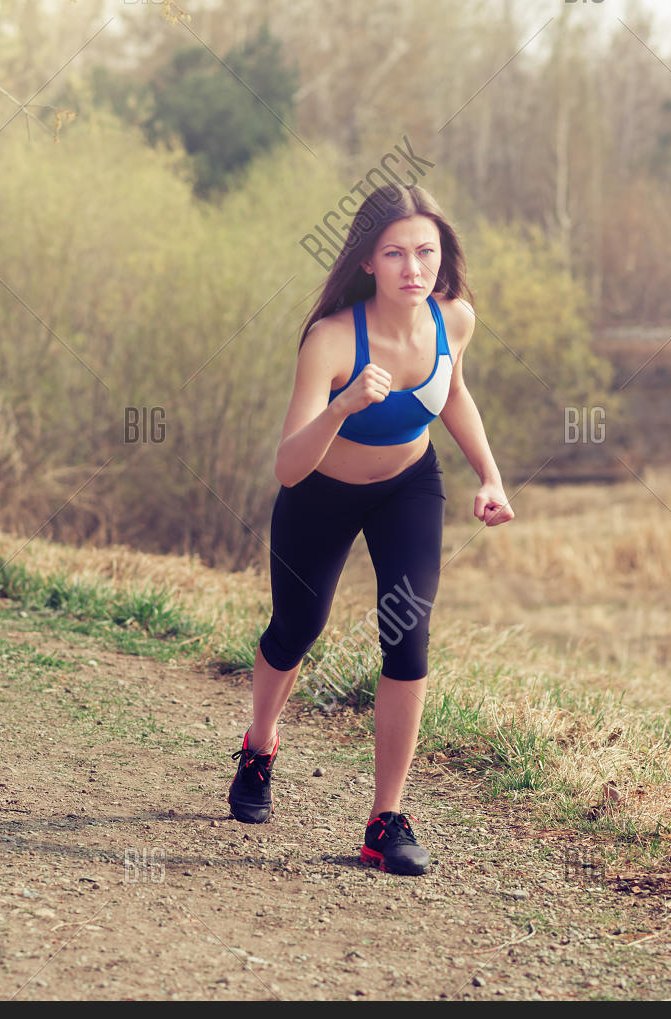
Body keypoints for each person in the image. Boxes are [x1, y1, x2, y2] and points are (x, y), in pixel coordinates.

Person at [226, 183, 513, 875]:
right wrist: (342, 405)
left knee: (407, 637)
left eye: (426, 252)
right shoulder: (330, 339)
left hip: (409, 488)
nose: (413, 268)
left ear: (443, 258)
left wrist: (490, 475)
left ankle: (385, 820)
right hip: (321, 493)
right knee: (297, 628)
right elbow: (289, 467)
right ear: (367, 261)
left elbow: (455, 393)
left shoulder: (455, 319)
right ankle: (259, 745)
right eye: (395, 253)